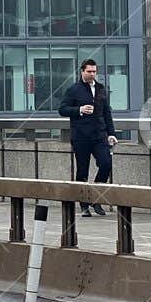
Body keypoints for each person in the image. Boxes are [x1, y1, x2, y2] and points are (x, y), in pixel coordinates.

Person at [59, 58, 116, 216]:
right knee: (82, 170)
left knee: (106, 164)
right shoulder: (73, 89)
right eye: (89, 71)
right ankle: (84, 205)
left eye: (94, 71)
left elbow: (107, 113)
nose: (92, 74)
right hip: (81, 137)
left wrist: (111, 133)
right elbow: (62, 109)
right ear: (82, 71)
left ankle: (96, 199)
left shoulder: (101, 88)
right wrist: (79, 110)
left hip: (99, 136)